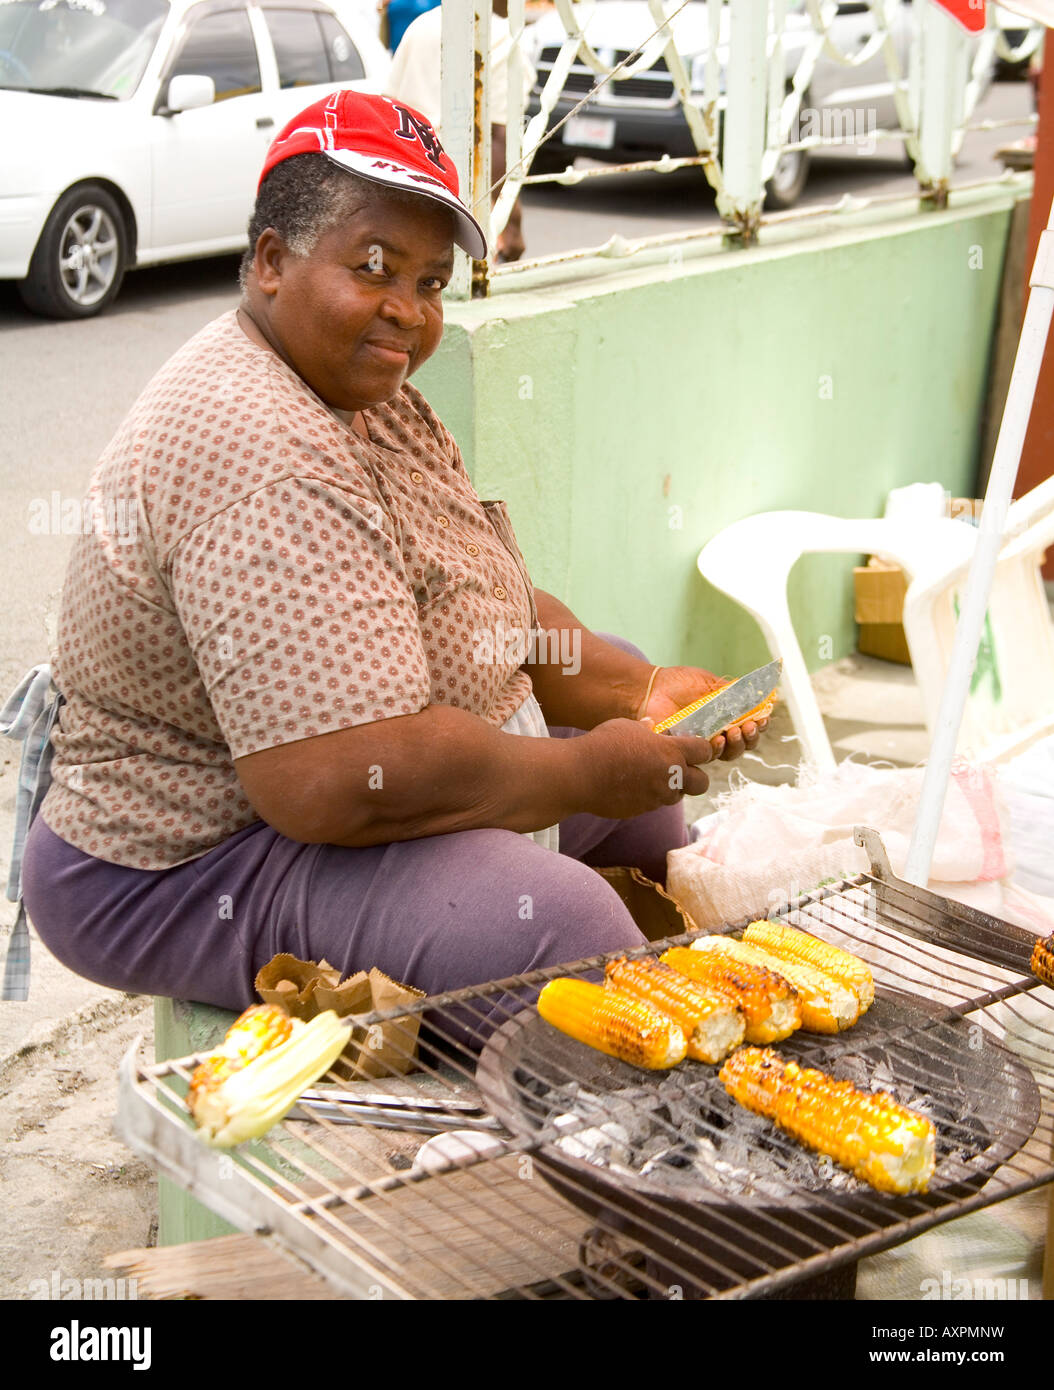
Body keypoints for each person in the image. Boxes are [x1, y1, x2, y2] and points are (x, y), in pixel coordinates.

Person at [20, 90, 766, 1021]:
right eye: (375, 269)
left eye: (430, 284)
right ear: (271, 262)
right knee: (563, 930)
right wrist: (579, 773)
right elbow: (335, 778)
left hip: (311, 787)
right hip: (183, 860)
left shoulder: (365, 388)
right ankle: (562, 1098)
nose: (408, 312)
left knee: (635, 789)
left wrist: (635, 690)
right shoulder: (258, 444)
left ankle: (667, 1011)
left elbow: (489, 603)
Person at [385, 0, 533, 261]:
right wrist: (509, 221)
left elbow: (391, 107)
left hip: (403, 186)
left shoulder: (423, 25)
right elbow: (499, 139)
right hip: (459, 202)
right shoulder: (500, 37)